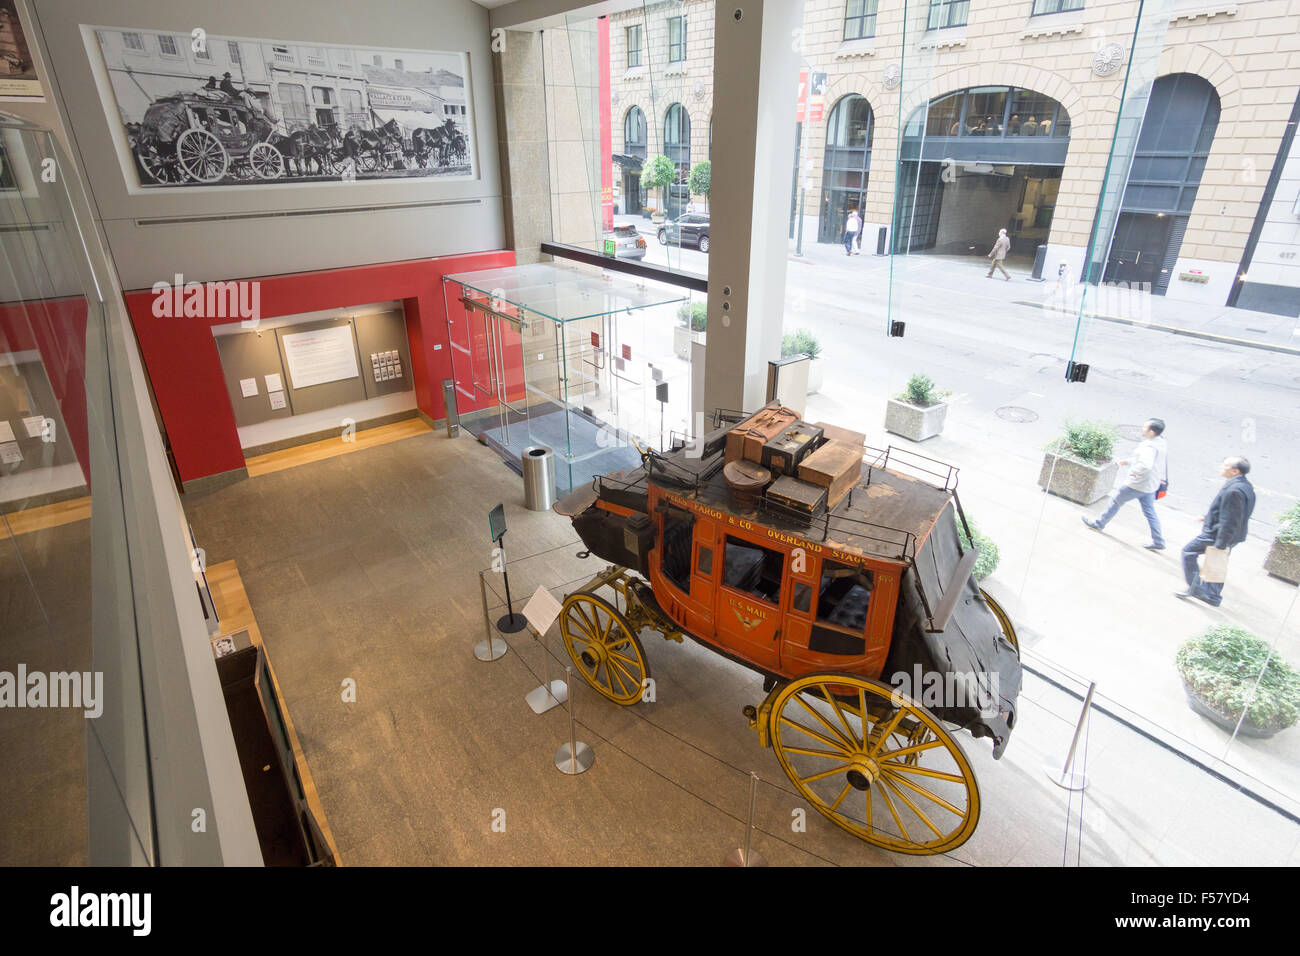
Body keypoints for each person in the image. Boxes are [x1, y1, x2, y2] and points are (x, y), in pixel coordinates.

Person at [1175, 457, 1256, 607]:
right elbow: (1233, 512)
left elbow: (1230, 520)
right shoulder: (1245, 486)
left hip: (1218, 534)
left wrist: (1221, 543)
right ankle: (1212, 596)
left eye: (1225, 465)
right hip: (1231, 535)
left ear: (1234, 471)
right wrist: (1207, 518)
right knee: (1217, 563)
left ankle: (1197, 589)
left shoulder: (1234, 490)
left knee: (1188, 552)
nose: (1221, 467)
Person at [1082, 418, 1168, 549]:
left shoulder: (1149, 446)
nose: (1142, 429)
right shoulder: (1161, 443)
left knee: (1115, 501)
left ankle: (1099, 524)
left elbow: (1145, 465)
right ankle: (1159, 541)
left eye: (1145, 427)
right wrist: (1127, 461)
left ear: (1151, 432)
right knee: (1150, 512)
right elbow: (1146, 461)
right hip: (1150, 485)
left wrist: (1134, 471)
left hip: (1137, 484)